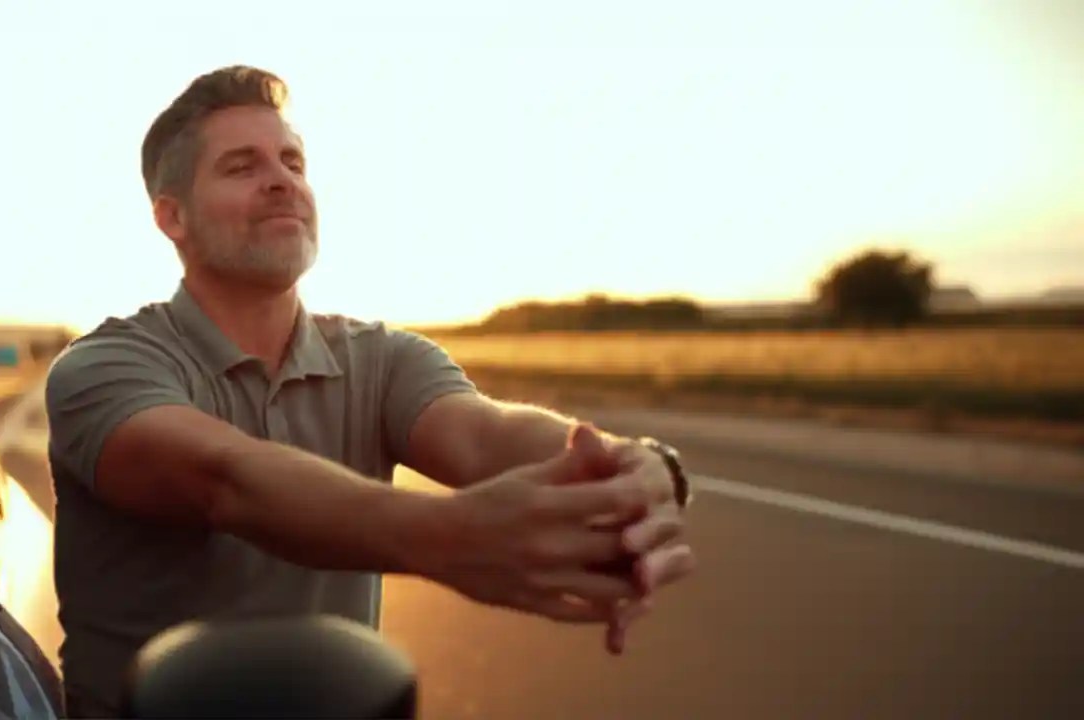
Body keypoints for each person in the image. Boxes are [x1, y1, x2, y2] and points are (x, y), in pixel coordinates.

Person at [45, 64, 696, 718]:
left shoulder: (382, 357)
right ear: (171, 217)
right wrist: (448, 537)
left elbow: (481, 434)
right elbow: (226, 478)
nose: (282, 181)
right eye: (242, 168)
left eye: (293, 162)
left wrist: (632, 467)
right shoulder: (105, 366)